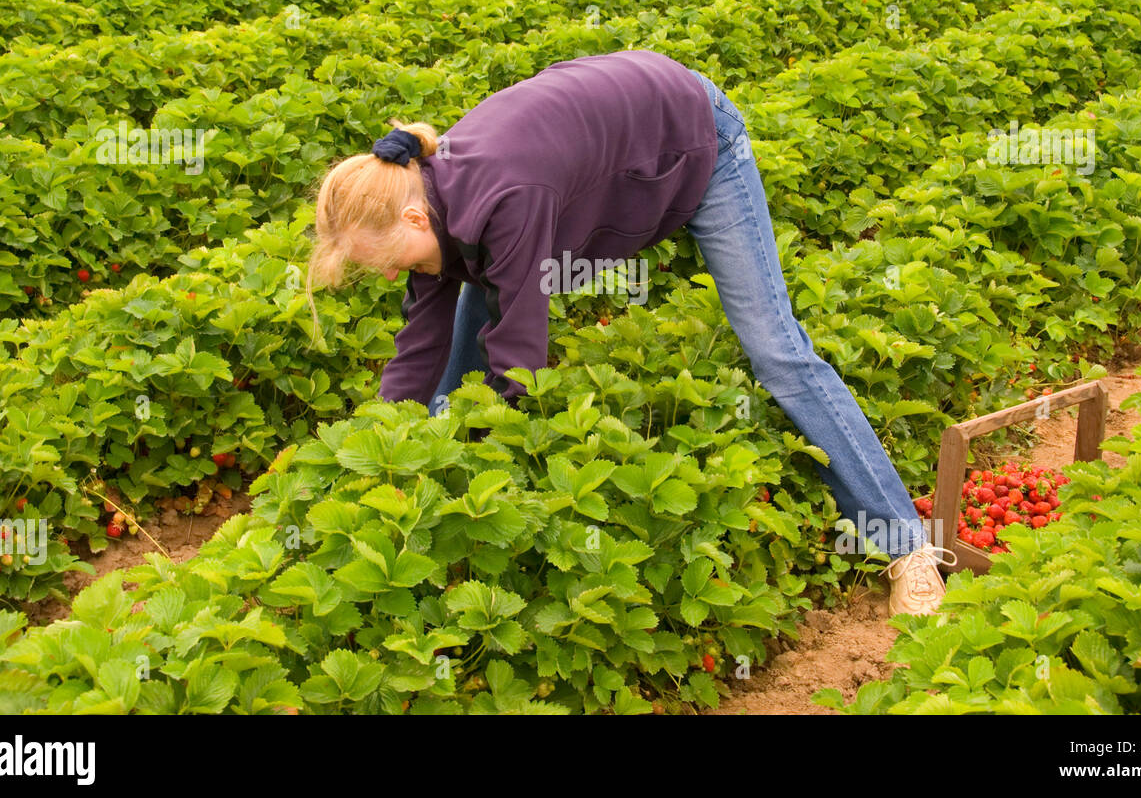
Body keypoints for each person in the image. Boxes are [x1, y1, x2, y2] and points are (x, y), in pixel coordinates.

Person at [305, 49, 955, 616]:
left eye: (386, 260)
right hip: (614, 133)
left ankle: (908, 549)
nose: (390, 275)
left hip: (694, 137)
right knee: (448, 361)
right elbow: (420, 348)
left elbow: (520, 363)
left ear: (417, 219)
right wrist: (381, 449)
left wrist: (488, 486)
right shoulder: (427, 196)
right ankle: (409, 521)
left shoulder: (507, 198)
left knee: (777, 351)